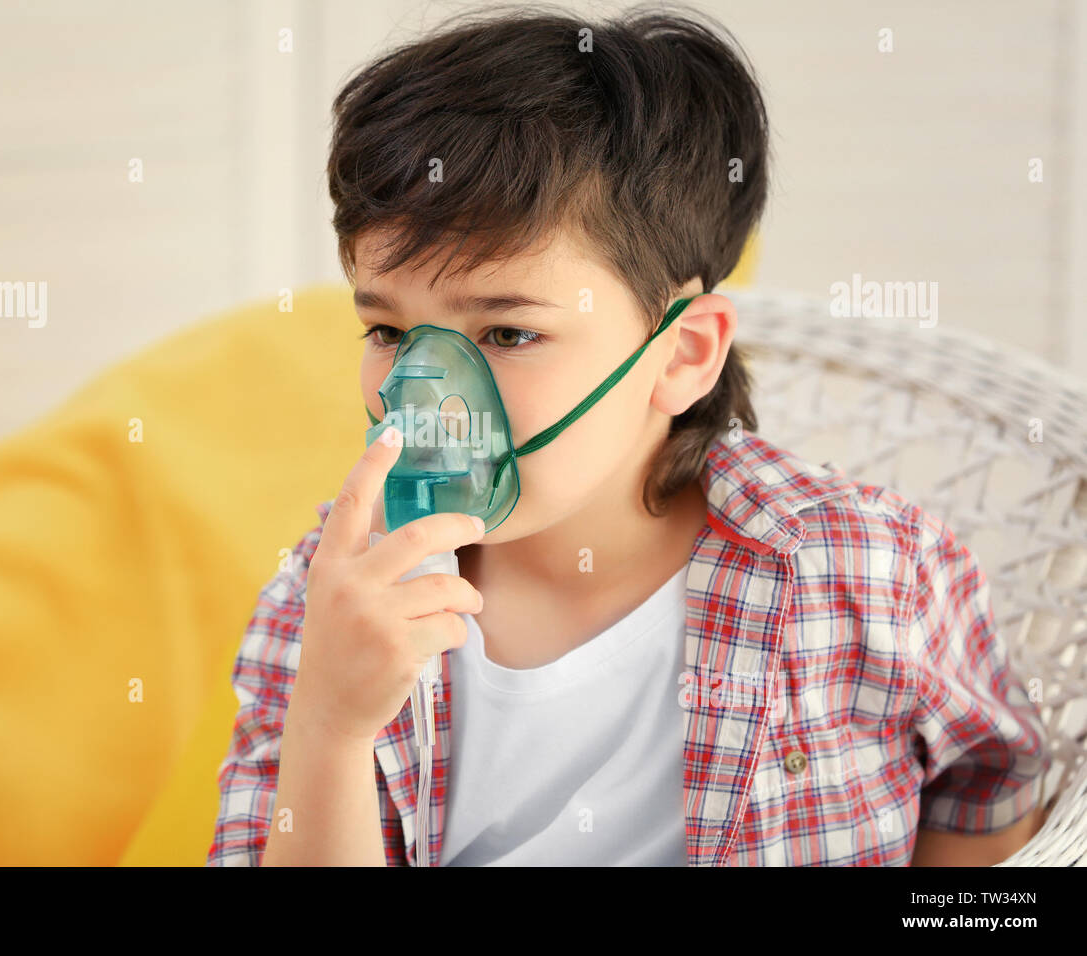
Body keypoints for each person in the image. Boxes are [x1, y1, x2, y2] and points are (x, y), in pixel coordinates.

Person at [207, 5, 1049, 867]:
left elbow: (992, 785)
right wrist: (331, 724)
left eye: (506, 335)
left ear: (682, 354)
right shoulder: (332, 601)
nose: (427, 395)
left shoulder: (867, 573)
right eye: (388, 333)